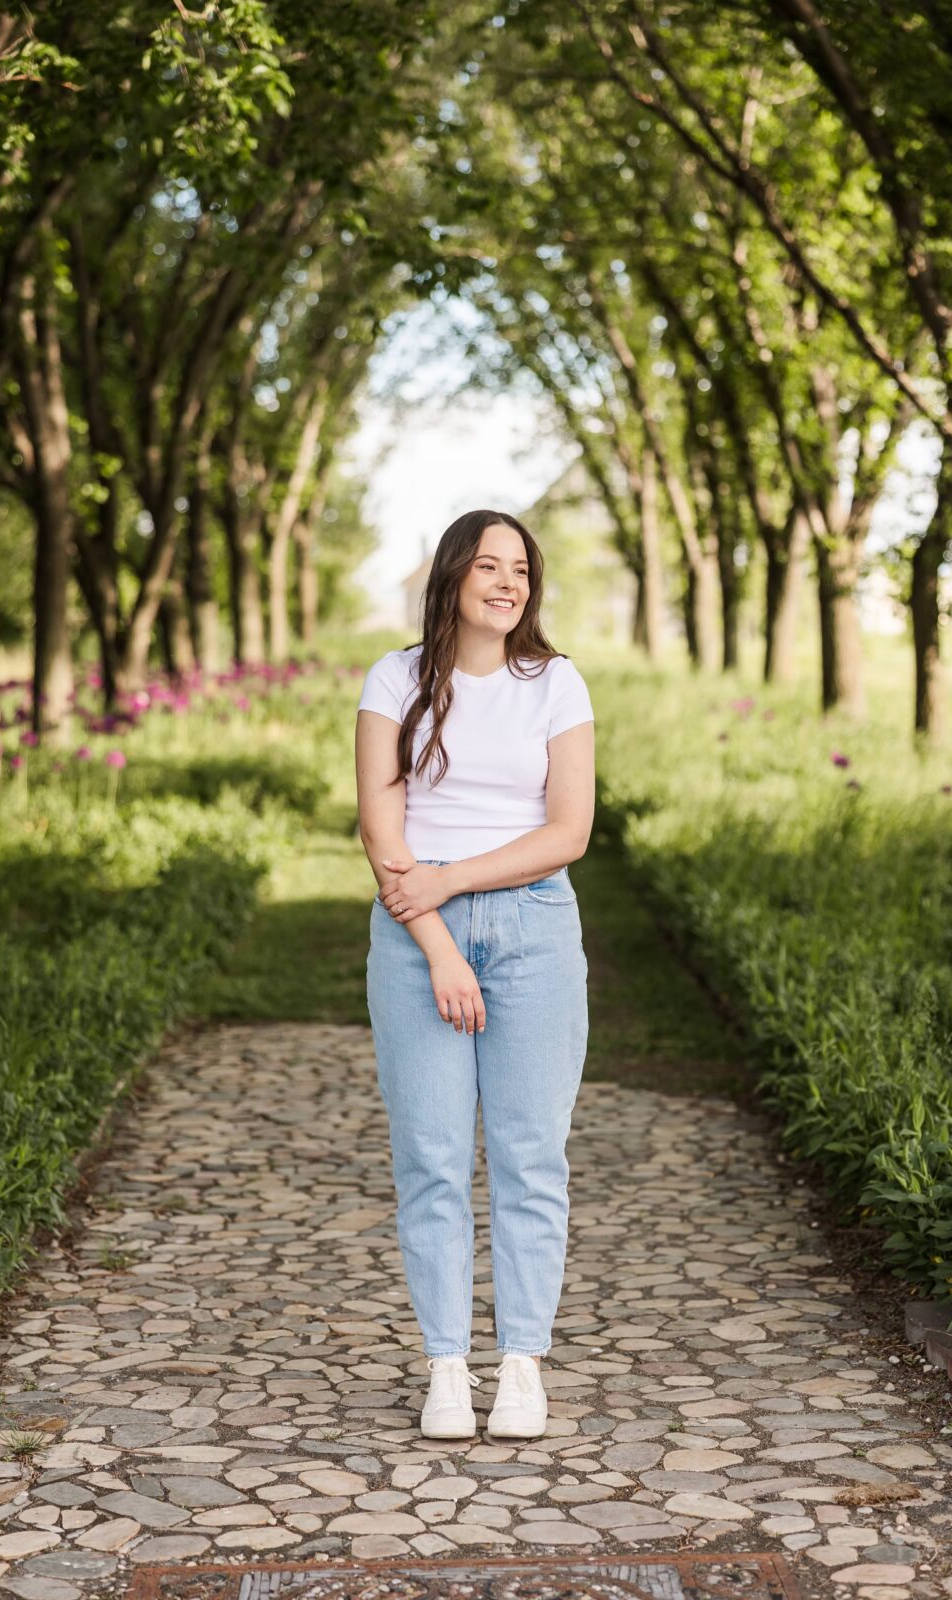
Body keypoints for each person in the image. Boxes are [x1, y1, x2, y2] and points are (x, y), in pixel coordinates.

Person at [354, 509, 595, 1441]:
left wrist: (451, 880)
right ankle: (446, 1367)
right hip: (417, 943)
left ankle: (522, 1365)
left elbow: (566, 833)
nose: (507, 583)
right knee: (432, 1160)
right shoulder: (397, 677)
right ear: (452, 575)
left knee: (532, 1160)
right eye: (489, 566)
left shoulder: (555, 685)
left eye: (521, 571)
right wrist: (442, 944)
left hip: (535, 930)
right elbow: (382, 829)